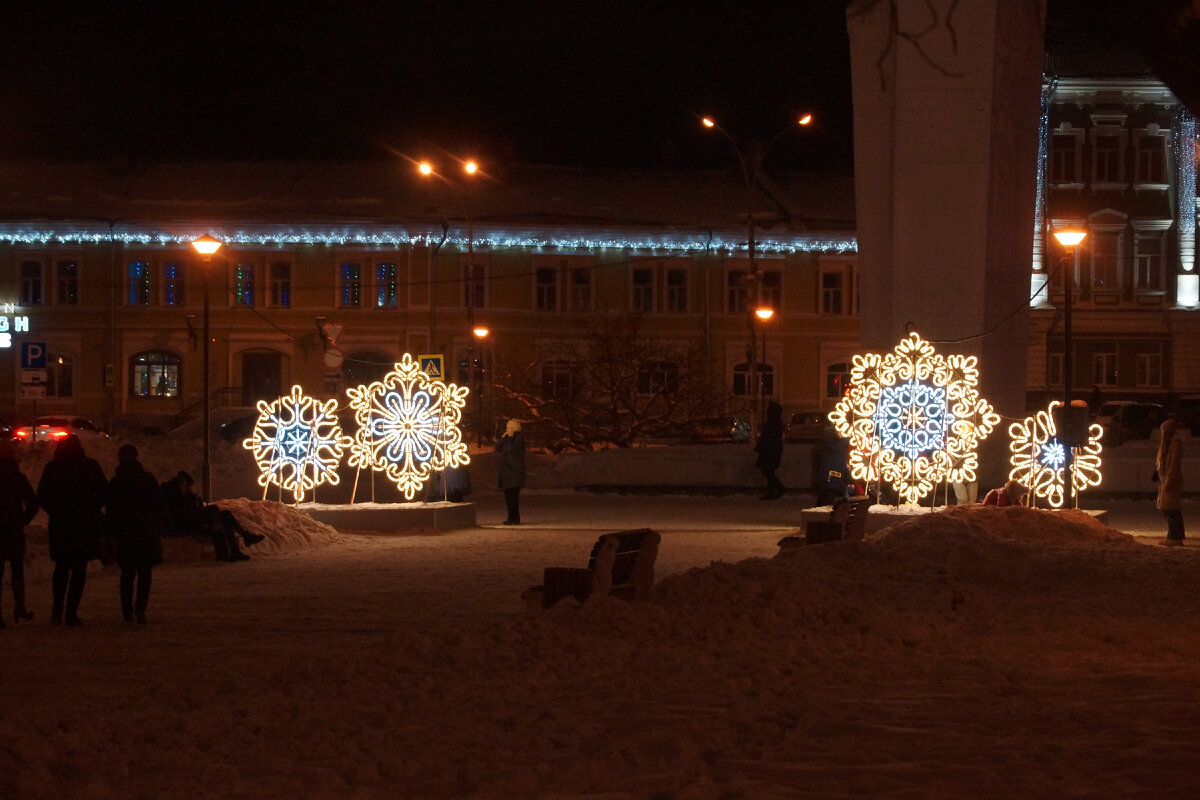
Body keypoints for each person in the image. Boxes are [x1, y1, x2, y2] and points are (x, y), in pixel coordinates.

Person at [36, 434, 108, 626]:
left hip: (61, 524)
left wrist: (55, 511)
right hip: (84, 524)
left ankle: (57, 609)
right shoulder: (89, 466)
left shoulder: (53, 467)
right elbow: (103, 491)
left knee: (61, 568)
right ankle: (71, 612)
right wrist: (92, 508)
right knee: (79, 569)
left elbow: (42, 494)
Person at [108, 444, 168, 623]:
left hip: (125, 533)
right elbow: (158, 504)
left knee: (127, 573)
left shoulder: (116, 482)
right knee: (144, 573)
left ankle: (127, 611)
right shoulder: (147, 479)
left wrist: (111, 531)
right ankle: (141, 608)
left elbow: (111, 509)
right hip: (146, 532)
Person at [160, 471, 263, 561]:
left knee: (224, 517)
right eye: (187, 486)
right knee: (221, 518)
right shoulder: (178, 500)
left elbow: (194, 512)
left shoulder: (182, 498)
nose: (188, 488)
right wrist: (194, 501)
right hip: (190, 524)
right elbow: (188, 515)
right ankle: (242, 541)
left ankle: (240, 544)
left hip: (195, 521)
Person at [0, 441, 39, 626]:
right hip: (14, 529)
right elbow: (32, 502)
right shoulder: (19, 478)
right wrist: (23, 519)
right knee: (17, 569)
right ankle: (19, 607)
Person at [1156, 417, 1185, 546]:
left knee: (1171, 510)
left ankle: (1175, 537)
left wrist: (1169, 479)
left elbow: (1174, 465)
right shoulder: (1168, 445)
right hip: (1166, 479)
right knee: (1169, 509)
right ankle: (1173, 536)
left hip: (1171, 480)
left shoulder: (1174, 445)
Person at [496, 419, 526, 525]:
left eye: (509, 427)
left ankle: (515, 517)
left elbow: (512, 450)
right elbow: (497, 448)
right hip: (507, 472)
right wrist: (502, 439)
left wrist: (509, 439)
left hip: (514, 472)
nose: (506, 429)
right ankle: (510, 517)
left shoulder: (518, 439)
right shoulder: (508, 438)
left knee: (513, 496)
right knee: (508, 496)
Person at [754, 401, 786, 500]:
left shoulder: (773, 423)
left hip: (770, 450)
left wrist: (762, 446)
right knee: (768, 471)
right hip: (771, 450)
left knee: (768, 471)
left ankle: (776, 489)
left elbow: (770, 438)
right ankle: (774, 490)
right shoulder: (774, 423)